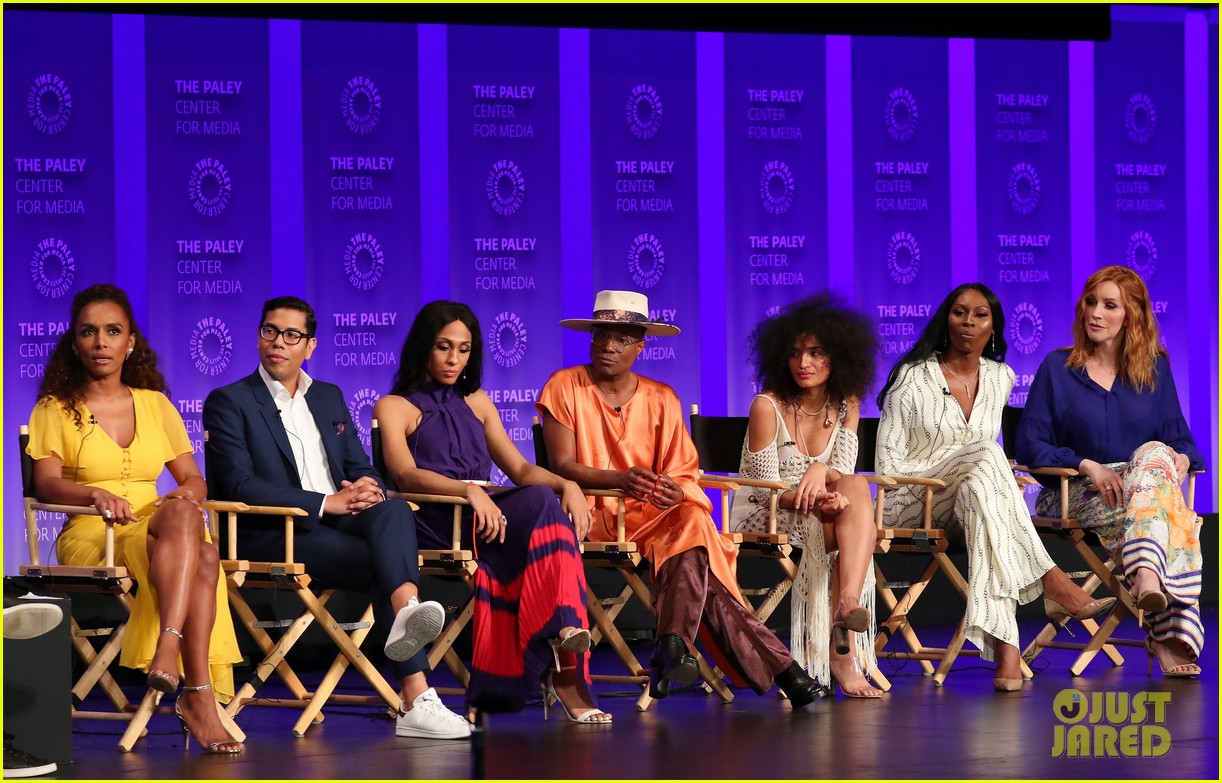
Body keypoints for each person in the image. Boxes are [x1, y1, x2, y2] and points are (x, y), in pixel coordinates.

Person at [537, 290, 823, 707]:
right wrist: (618, 479)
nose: (608, 346)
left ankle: (672, 644)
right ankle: (777, 668)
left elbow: (683, 472)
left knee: (690, 519)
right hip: (596, 516)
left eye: (621, 338)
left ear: (640, 346)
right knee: (699, 552)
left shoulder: (662, 397)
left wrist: (675, 489)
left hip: (657, 517)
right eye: (601, 335)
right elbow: (561, 464)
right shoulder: (565, 385)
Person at [202, 296, 471, 738]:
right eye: (270, 331)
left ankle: (406, 610)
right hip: (275, 531)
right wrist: (327, 503)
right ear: (258, 337)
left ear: (310, 346)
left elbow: (361, 466)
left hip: (339, 522)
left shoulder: (328, 397)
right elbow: (239, 484)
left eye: (292, 335)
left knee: (393, 508)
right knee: (386, 563)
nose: (278, 342)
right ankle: (417, 697)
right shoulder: (229, 400)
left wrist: (367, 488)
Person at [26, 284, 244, 753]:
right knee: (204, 556)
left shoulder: (155, 404)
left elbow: (194, 479)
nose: (100, 342)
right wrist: (93, 493)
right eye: (88, 332)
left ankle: (170, 650)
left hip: (156, 524)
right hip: (93, 532)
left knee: (185, 516)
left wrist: (186, 493)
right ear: (74, 343)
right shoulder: (55, 408)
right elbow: (45, 485)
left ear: (130, 342)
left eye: (112, 331)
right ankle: (198, 692)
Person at [374, 301, 609, 722]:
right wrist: (468, 491)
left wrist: (567, 484)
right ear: (423, 347)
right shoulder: (393, 406)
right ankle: (563, 655)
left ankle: (564, 634)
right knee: (539, 503)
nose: (453, 359)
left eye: (463, 350)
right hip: (439, 518)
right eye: (443, 347)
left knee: (544, 498)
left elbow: (519, 469)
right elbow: (405, 475)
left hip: (487, 516)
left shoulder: (478, 402)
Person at [874, 282, 1115, 691]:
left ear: (993, 327)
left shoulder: (1001, 377)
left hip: (969, 504)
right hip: (911, 502)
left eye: (980, 315)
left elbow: (982, 474)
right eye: (959, 312)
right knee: (987, 453)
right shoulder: (911, 376)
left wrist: (988, 476)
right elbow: (888, 467)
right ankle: (1050, 581)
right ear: (946, 320)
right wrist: (966, 466)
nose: (968, 322)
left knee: (983, 498)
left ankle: (1007, 647)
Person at [1016, 265, 1205, 678]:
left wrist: (1182, 459)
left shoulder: (1155, 370)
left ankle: (1148, 577)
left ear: (1131, 316)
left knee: (1154, 456)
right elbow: (1029, 445)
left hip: (1140, 489)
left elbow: (1183, 442)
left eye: (1109, 305)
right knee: (1173, 516)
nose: (1095, 313)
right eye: (1091, 303)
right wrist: (1085, 464)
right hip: (1075, 491)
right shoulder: (1057, 368)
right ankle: (1166, 631)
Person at [730, 293, 883, 698]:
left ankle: (846, 602)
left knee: (855, 487)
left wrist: (822, 475)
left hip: (828, 511)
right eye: (796, 353)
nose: (804, 363)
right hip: (767, 510)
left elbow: (843, 473)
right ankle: (843, 650)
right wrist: (815, 497)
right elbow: (762, 491)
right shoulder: (767, 406)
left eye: (816, 353)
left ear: (839, 356)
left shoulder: (847, 404)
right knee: (849, 514)